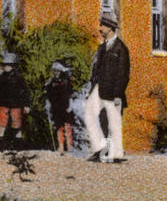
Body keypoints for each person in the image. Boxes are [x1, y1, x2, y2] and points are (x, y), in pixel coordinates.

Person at [85, 14, 130, 163]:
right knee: (90, 115)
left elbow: (123, 74)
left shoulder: (121, 49)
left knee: (114, 122)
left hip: (113, 91)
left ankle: (116, 154)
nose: (100, 29)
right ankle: (99, 149)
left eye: (103, 26)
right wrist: (91, 89)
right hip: (99, 88)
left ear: (110, 28)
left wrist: (118, 94)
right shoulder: (101, 48)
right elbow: (96, 70)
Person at [0, 52, 32, 148]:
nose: (5, 67)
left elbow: (25, 92)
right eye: (4, 65)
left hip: (16, 104)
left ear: (13, 66)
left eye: (7, 65)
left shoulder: (19, 78)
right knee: (2, 124)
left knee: (17, 124)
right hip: (3, 104)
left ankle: (18, 144)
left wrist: (27, 104)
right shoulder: (0, 78)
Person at [44, 61, 75, 154]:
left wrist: (70, 104)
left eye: (58, 71)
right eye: (54, 71)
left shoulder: (66, 82)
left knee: (67, 126)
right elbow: (48, 95)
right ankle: (60, 146)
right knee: (58, 127)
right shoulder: (50, 82)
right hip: (56, 107)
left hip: (65, 107)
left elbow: (70, 94)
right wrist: (48, 104)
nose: (56, 73)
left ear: (61, 71)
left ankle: (69, 145)